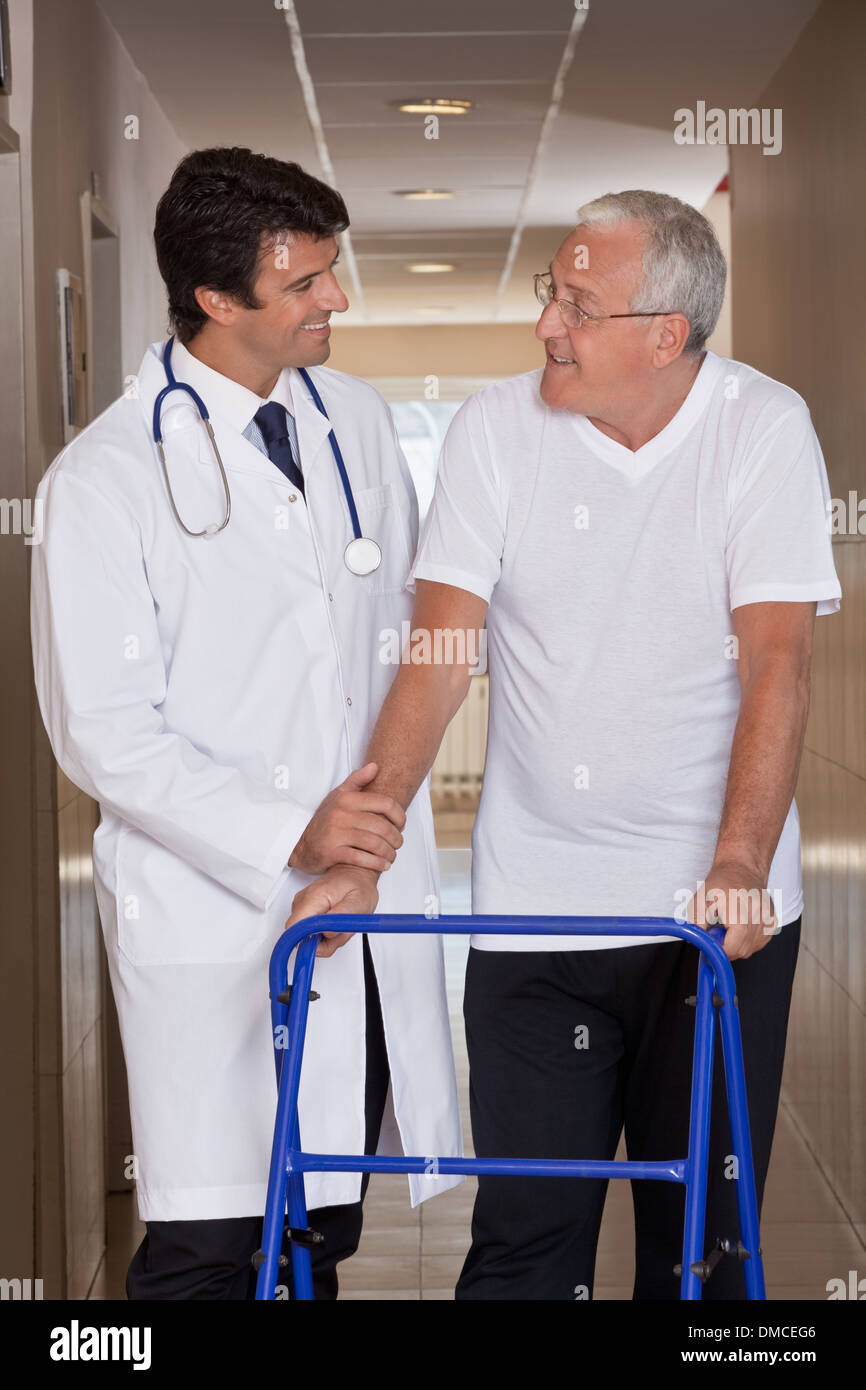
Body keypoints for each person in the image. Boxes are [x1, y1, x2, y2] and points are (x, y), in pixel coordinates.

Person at [289, 190, 842, 1299]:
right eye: (552, 291)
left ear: (663, 337)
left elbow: (775, 660)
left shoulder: (759, 427)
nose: (546, 323)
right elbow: (440, 653)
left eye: (578, 307)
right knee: (523, 1247)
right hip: (535, 913)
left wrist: (736, 861)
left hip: (710, 927)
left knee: (701, 1251)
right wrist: (364, 849)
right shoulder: (495, 428)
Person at [30, 146, 462, 1301]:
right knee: (209, 1245)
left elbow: (404, 641)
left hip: (357, 898)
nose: (338, 299)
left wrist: (355, 837)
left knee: (325, 1215)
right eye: (308, 281)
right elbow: (106, 735)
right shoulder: (106, 479)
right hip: (214, 904)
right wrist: (292, 833)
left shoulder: (357, 422)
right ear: (218, 300)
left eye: (335, 269)